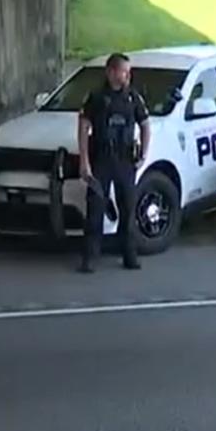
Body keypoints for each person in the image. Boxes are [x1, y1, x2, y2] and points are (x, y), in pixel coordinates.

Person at [78, 53, 151, 273]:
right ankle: (90, 257)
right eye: (124, 71)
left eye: (129, 72)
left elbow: (146, 125)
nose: (128, 76)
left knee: (128, 208)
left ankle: (129, 254)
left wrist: (143, 155)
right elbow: (83, 127)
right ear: (111, 72)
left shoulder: (133, 98)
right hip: (101, 160)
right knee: (95, 209)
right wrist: (84, 161)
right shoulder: (97, 97)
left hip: (125, 160)